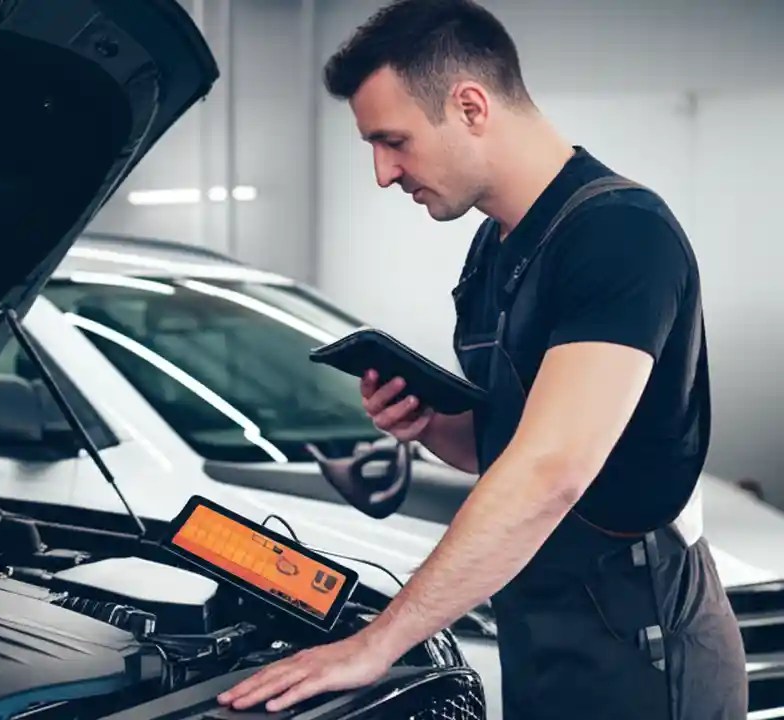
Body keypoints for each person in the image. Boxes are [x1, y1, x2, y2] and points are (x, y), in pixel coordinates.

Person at [216, 1, 748, 718]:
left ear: (470, 105)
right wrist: (434, 423)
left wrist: (379, 643)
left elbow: (552, 469)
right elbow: (505, 449)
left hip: (639, 640)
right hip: (542, 622)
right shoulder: (494, 247)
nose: (383, 172)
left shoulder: (619, 234)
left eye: (393, 141)